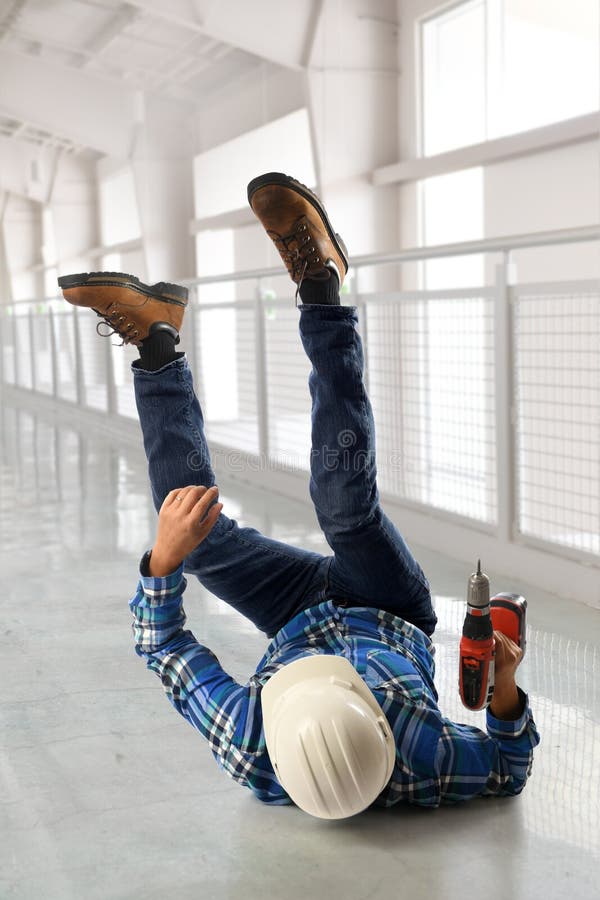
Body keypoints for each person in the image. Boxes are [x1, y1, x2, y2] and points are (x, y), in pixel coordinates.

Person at [58, 172, 540, 820]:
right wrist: (504, 687)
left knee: (191, 535)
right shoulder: (426, 755)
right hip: (389, 607)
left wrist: (165, 560)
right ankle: (322, 288)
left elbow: (163, 647)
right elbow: (509, 771)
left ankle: (158, 343)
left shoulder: (252, 746)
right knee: (342, 505)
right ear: (378, 719)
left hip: (291, 615)